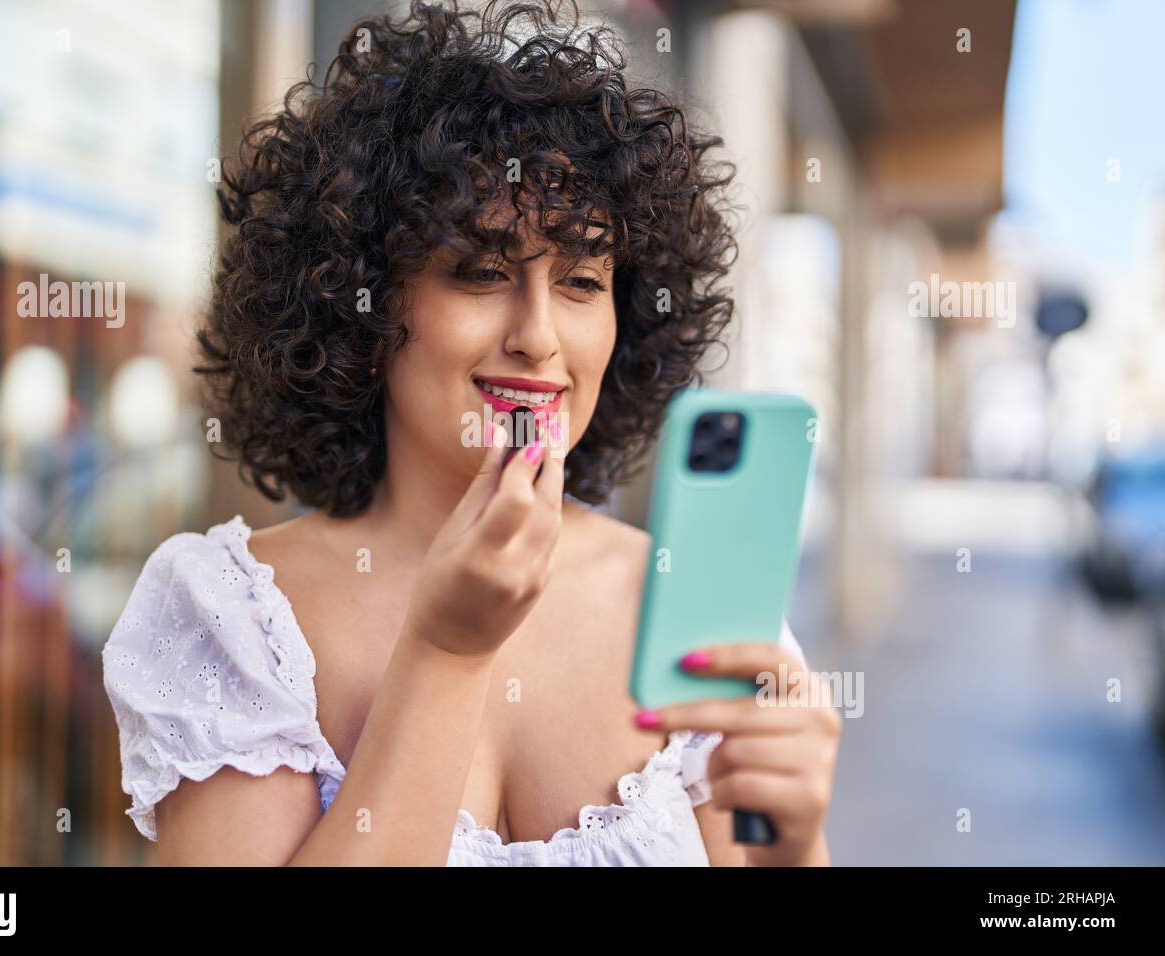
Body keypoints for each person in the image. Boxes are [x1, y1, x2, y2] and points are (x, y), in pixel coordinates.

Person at [102, 0, 840, 866]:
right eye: (482, 271)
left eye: (582, 281)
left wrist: (798, 845)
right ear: (361, 302)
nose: (539, 336)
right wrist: (446, 651)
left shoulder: (691, 611)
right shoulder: (224, 610)